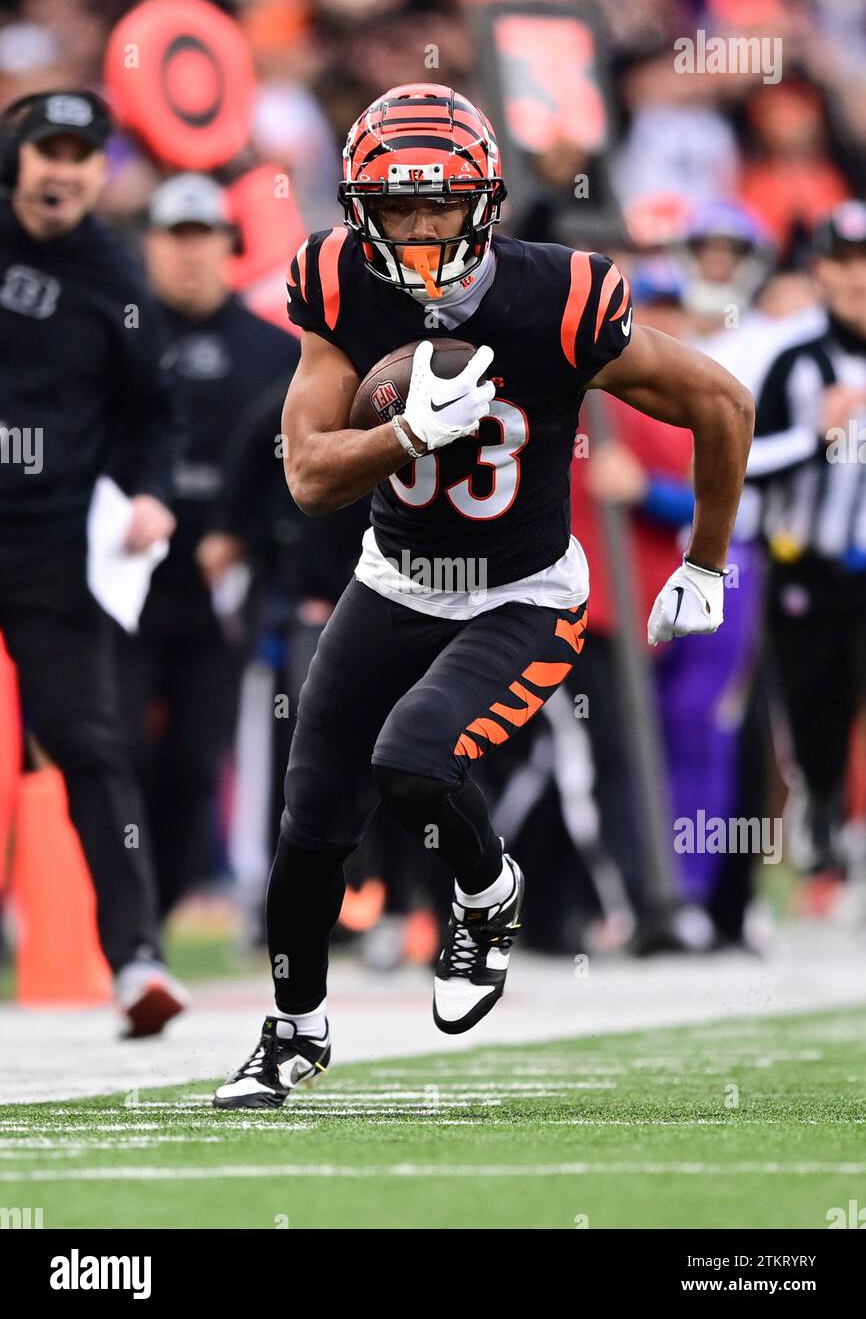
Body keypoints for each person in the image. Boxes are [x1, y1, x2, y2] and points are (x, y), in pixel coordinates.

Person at [213, 83, 754, 1110]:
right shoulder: (334, 284)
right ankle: (292, 1032)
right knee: (313, 814)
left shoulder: (561, 297)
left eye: (442, 203)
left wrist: (705, 561)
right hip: (396, 575)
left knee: (412, 758)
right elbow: (310, 472)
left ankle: (487, 890)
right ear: (357, 210)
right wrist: (405, 435)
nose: (421, 228)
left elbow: (720, 403)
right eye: (398, 205)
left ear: (487, 201)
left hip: (522, 589)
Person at [0, 90, 186, 1035]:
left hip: (50, 542)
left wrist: (153, 493)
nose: (63, 168)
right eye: (48, 151)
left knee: (89, 741)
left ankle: (137, 961)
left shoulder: (115, 275)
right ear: (17, 158)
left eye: (82, 153)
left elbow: (154, 409)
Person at [116, 173, 300, 918]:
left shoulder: (271, 350)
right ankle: (117, 912)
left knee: (198, 761)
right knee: (118, 750)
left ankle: (158, 911)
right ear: (150, 245)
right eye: (174, 237)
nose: (189, 255)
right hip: (124, 580)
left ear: (230, 245)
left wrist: (244, 537)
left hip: (220, 592)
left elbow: (293, 468)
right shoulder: (121, 335)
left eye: (205, 237)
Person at [745, 200, 866, 876]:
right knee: (815, 713)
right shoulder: (792, 361)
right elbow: (744, 462)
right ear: (820, 272)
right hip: (805, 571)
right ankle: (821, 816)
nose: (858, 280)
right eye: (844, 264)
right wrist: (811, 437)